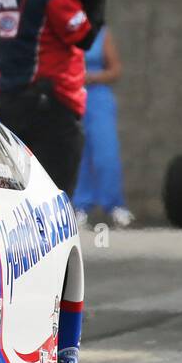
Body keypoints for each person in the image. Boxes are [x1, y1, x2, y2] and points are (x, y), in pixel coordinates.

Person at [0, 0, 115, 195]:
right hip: (51, 107)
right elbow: (84, 35)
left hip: (8, 101)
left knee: (7, 195)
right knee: (55, 199)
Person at [72, 27, 132, 227]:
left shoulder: (101, 33)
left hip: (97, 96)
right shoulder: (60, 31)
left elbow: (115, 70)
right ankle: (80, 206)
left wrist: (92, 77)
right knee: (79, 154)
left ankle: (114, 205)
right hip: (71, 96)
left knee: (106, 152)